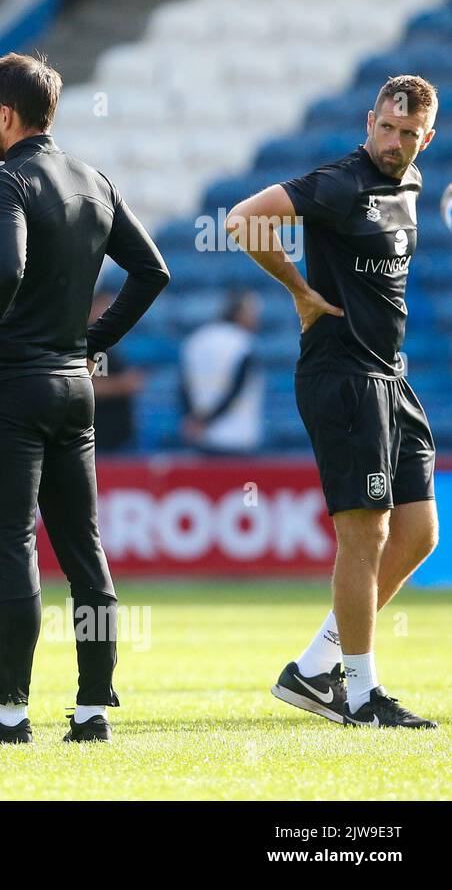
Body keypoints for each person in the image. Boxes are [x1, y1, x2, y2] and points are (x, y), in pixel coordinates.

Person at [0, 53, 168, 745]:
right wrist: (89, 341)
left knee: (12, 548)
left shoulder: (7, 180)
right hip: (73, 387)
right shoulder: (92, 178)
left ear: (6, 115)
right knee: (85, 551)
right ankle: (94, 707)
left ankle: (8, 711)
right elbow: (150, 271)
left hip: (11, 385)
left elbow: (5, 265)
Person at [227, 74, 439, 729]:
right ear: (369, 118)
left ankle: (316, 667)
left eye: (408, 134)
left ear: (425, 139)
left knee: (420, 534)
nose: (394, 141)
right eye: (386, 126)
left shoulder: (410, 182)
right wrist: (297, 288)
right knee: (367, 534)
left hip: (388, 375)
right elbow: (243, 219)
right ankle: (362, 692)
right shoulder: (342, 181)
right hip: (342, 374)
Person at [180, 290, 264, 454]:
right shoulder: (244, 343)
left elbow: (184, 385)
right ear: (239, 313)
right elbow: (237, 388)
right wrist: (208, 419)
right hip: (239, 434)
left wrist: (194, 419)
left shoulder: (196, 339)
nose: (256, 319)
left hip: (200, 435)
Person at [87, 289, 143, 452]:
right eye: (106, 306)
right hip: (101, 433)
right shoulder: (90, 341)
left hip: (119, 434)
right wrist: (123, 384)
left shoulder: (108, 341)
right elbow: (89, 384)